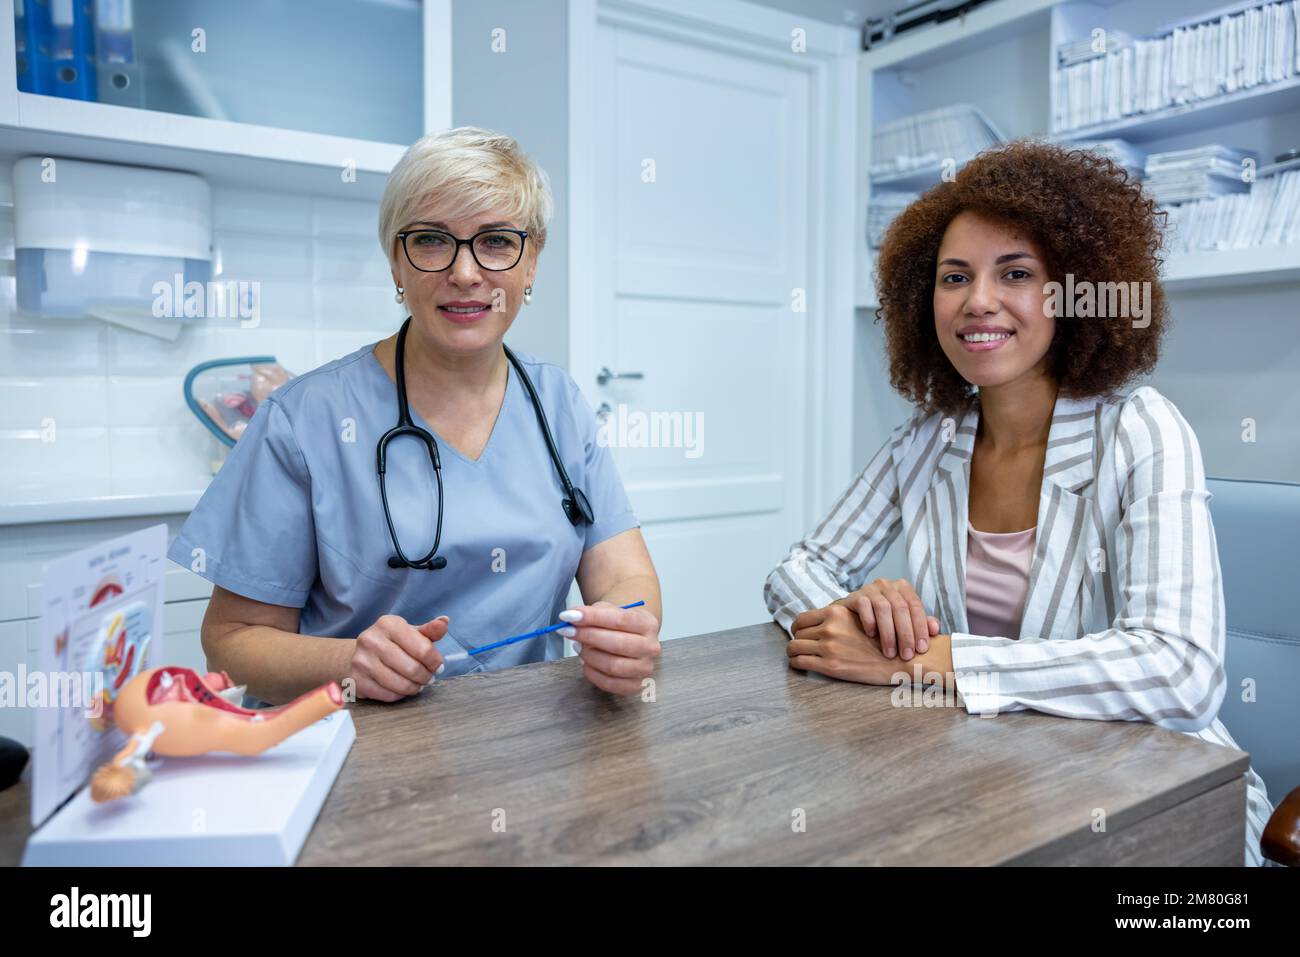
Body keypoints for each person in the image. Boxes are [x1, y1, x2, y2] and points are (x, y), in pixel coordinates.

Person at [763, 140, 1272, 865]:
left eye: (1017, 273)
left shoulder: (1141, 428)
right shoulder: (929, 440)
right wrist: (859, 612)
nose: (978, 300)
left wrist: (933, 662)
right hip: (997, 779)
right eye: (954, 276)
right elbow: (797, 568)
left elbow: (1180, 670)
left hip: (1164, 799)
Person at [169, 127, 662, 706]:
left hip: (531, 741)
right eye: (431, 241)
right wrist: (348, 660)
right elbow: (230, 643)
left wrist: (625, 630)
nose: (465, 273)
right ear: (395, 263)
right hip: (357, 749)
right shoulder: (304, 419)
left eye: (497, 241)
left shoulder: (558, 402)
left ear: (532, 261)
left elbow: (629, 582)